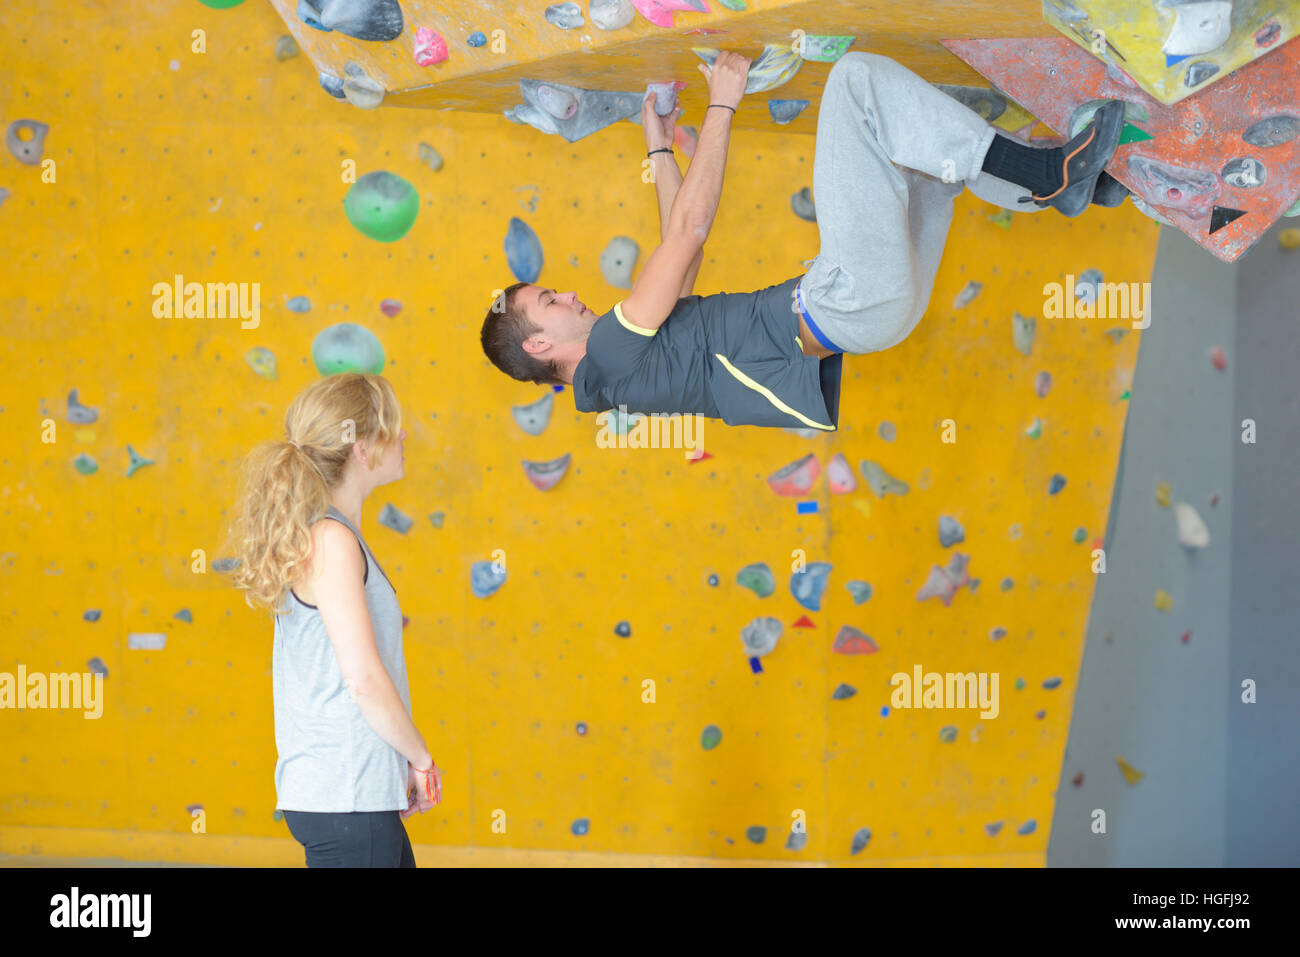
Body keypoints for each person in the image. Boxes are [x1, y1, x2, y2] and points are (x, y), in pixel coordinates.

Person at [480, 50, 1127, 432]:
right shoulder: (611, 352)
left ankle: (1065, 184)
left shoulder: (620, 368)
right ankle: (1048, 178)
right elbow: (689, 230)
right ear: (539, 342)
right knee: (854, 84)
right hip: (844, 301)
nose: (567, 292)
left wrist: (657, 142)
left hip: (869, 314)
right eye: (549, 299)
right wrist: (722, 104)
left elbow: (684, 257)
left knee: (916, 160)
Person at [224, 372, 441, 867]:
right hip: (345, 794)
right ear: (362, 448)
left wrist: (399, 762)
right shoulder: (331, 542)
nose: (404, 437)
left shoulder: (333, 536)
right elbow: (363, 679)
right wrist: (421, 757)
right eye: (393, 428)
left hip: (352, 794)